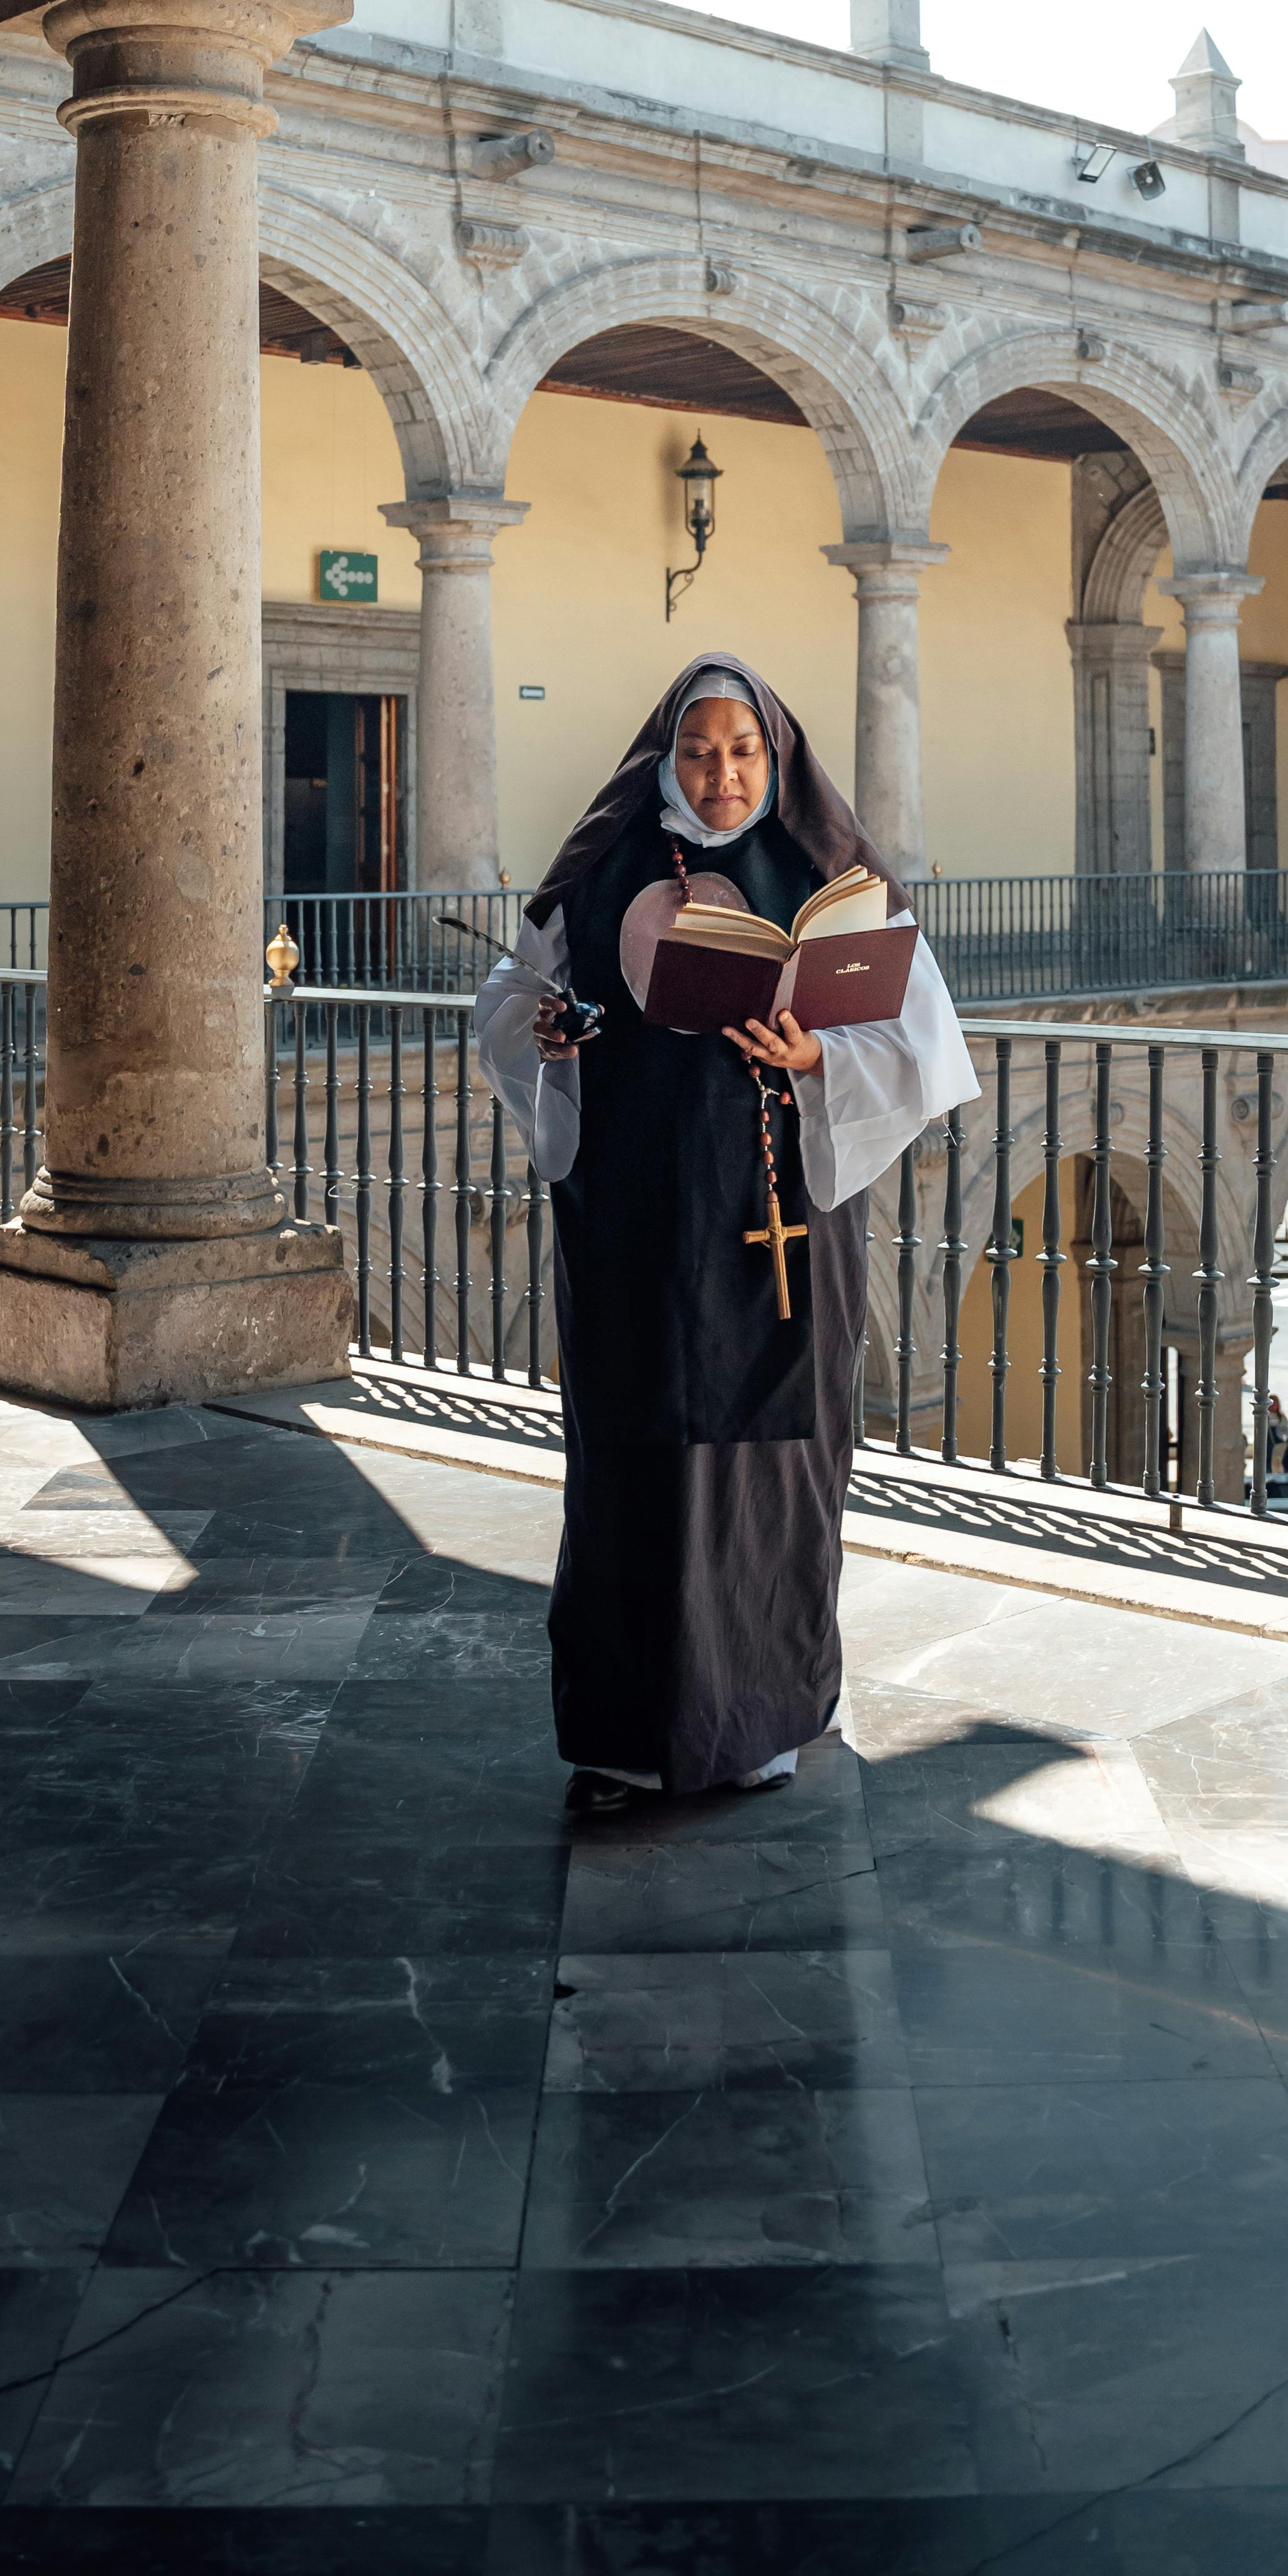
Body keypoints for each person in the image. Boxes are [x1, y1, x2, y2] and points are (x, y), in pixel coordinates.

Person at [475, 657, 978, 1811]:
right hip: (636, 1228)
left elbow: (926, 1044)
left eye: (742, 751)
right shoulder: (600, 875)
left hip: (782, 1229)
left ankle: (760, 1726)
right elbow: (506, 1006)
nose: (719, 773)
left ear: (777, 760)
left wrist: (820, 1059)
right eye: (699, 751)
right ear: (665, 754)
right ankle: (623, 1735)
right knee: (633, 1467)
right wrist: (545, 1034)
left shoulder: (829, 878)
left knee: (777, 1471)